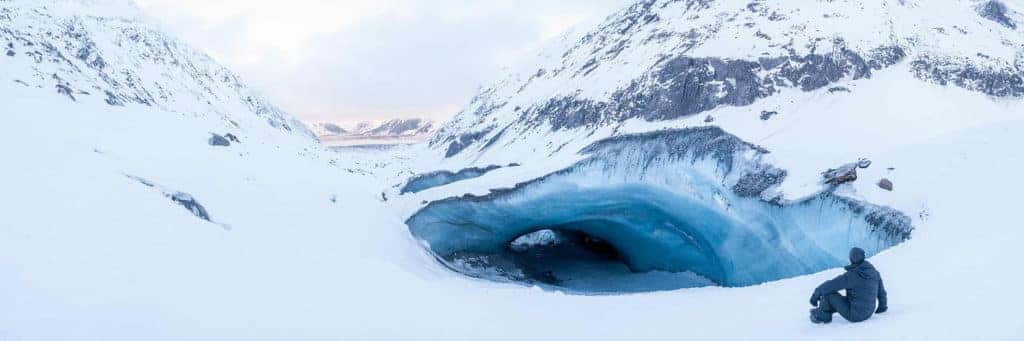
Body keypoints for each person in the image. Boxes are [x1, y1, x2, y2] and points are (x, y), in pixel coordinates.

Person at [809, 247, 888, 324]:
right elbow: (881, 293)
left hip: (855, 315)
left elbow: (831, 285)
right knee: (844, 298)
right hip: (869, 312)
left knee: (828, 295)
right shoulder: (874, 272)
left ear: (851, 259)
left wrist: (816, 294)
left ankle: (823, 316)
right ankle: (824, 310)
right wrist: (882, 307)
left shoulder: (852, 275)